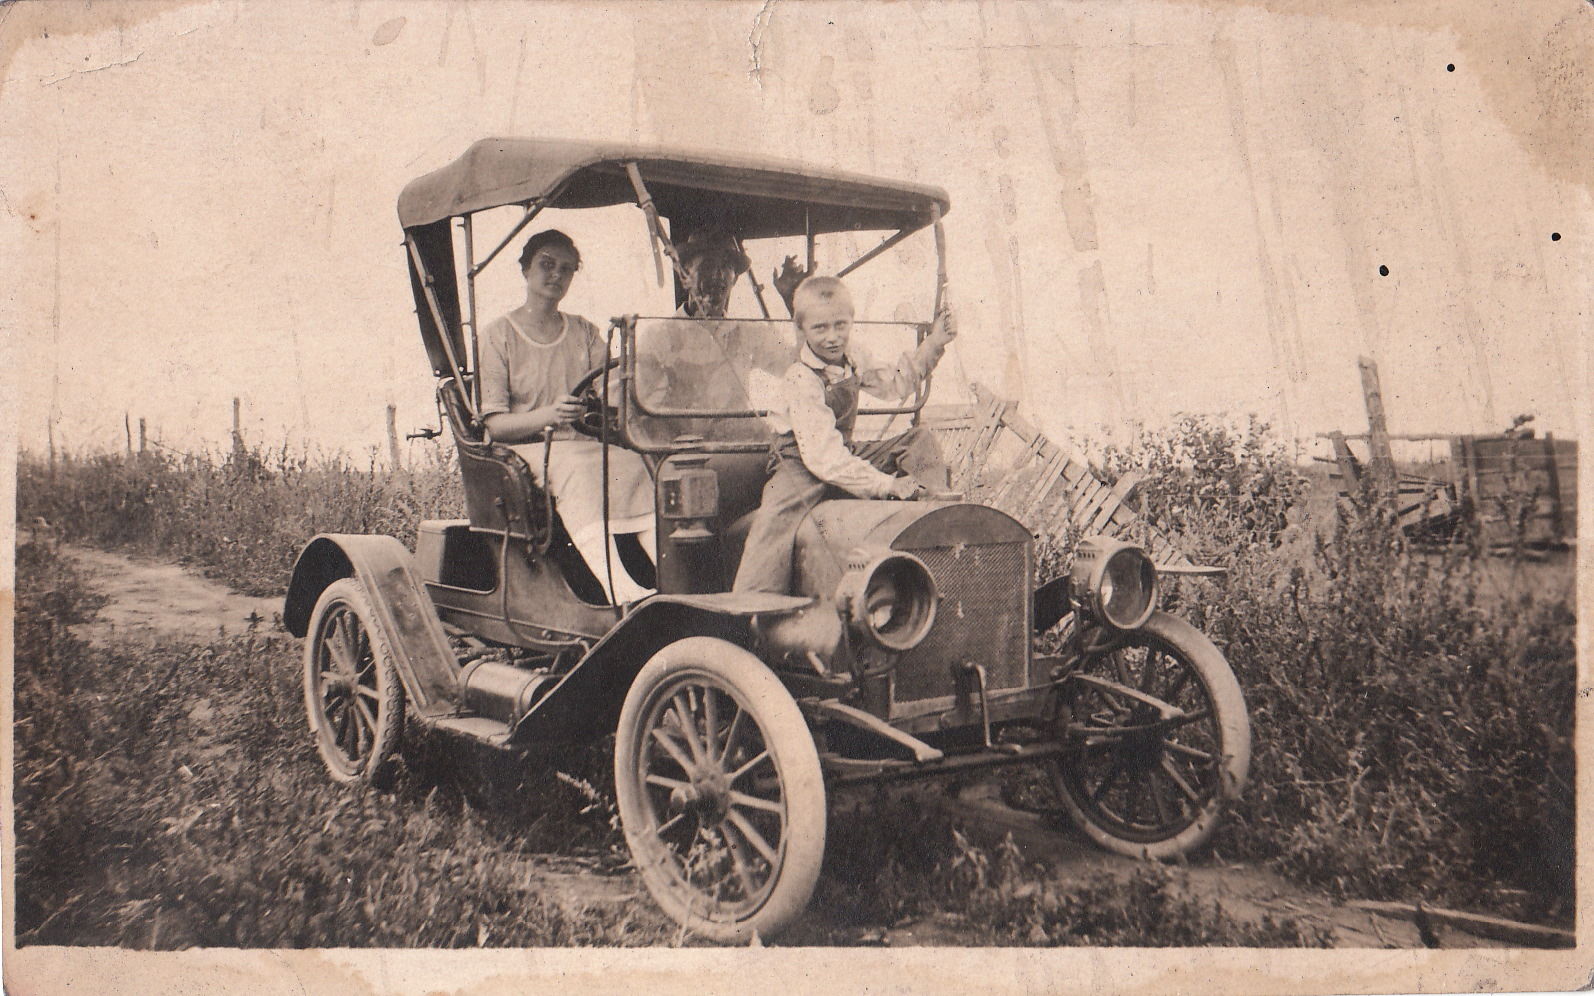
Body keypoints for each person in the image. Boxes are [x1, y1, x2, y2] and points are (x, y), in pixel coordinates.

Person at [732, 275, 956, 594]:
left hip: (842, 451)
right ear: (801, 330)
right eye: (820, 328)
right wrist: (886, 483)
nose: (833, 337)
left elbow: (895, 384)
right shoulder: (800, 377)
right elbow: (824, 460)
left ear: (851, 321)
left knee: (919, 441)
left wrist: (934, 343)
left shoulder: (853, 356)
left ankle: (936, 521)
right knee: (774, 524)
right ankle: (753, 603)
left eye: (841, 325)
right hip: (799, 462)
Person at [477, 229, 656, 604]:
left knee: (635, 462)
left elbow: (609, 391)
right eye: (546, 264)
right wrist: (549, 414)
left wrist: (635, 383)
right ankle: (620, 589)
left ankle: (669, 582)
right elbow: (495, 425)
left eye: (567, 268)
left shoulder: (585, 333)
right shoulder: (497, 336)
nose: (556, 275)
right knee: (579, 467)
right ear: (525, 269)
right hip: (523, 449)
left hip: (576, 444)